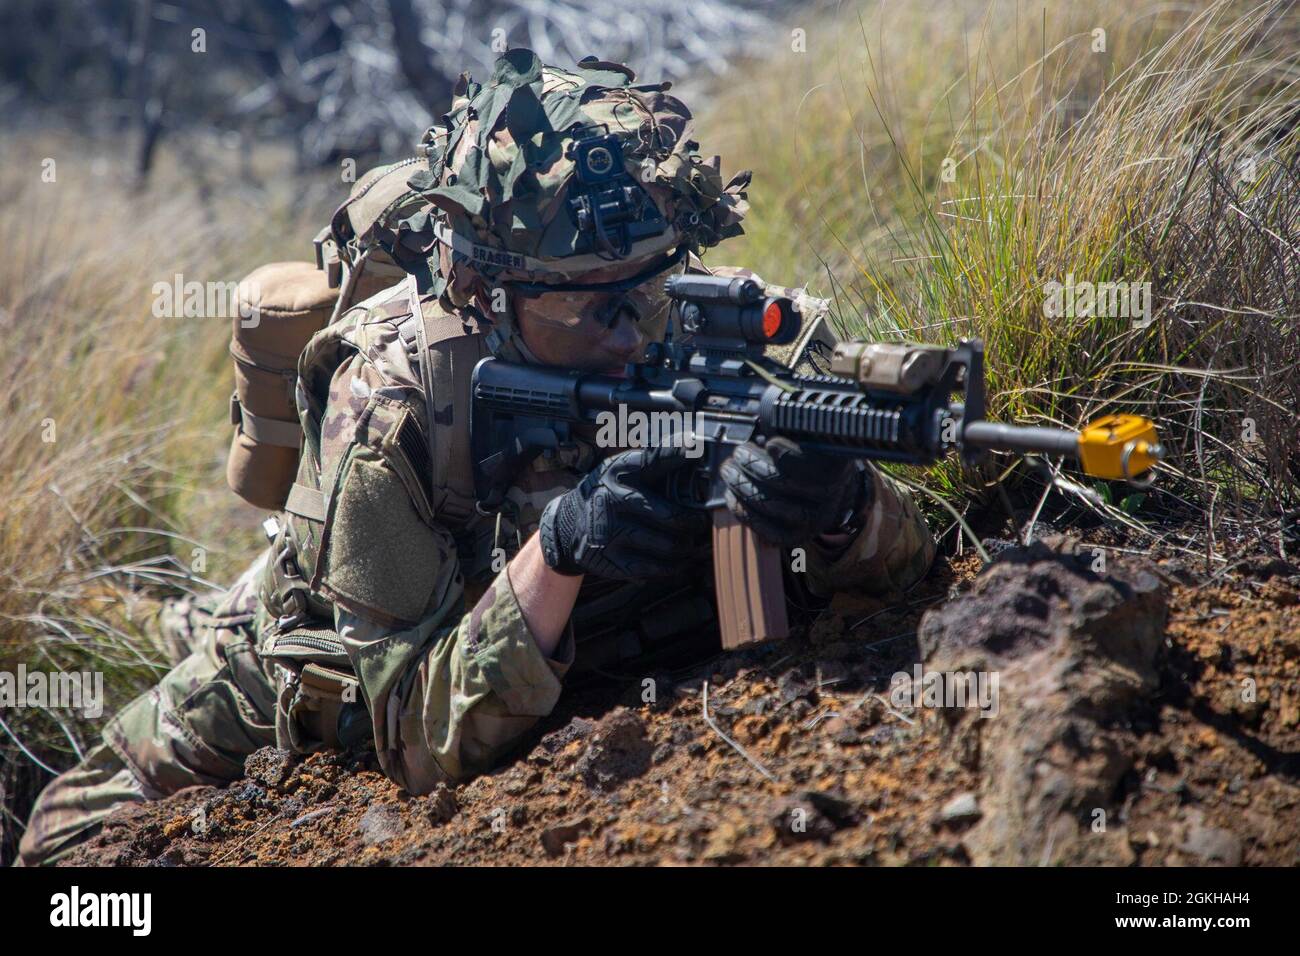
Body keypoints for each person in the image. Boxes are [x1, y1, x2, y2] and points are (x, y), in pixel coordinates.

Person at [18, 49, 934, 865]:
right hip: (341, 629)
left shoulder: (727, 333)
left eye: (649, 292)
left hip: (546, 632)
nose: (629, 336)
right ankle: (134, 612)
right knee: (67, 841)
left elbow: (910, 570)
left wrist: (841, 506)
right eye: (581, 309)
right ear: (490, 296)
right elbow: (414, 739)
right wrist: (566, 546)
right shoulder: (389, 406)